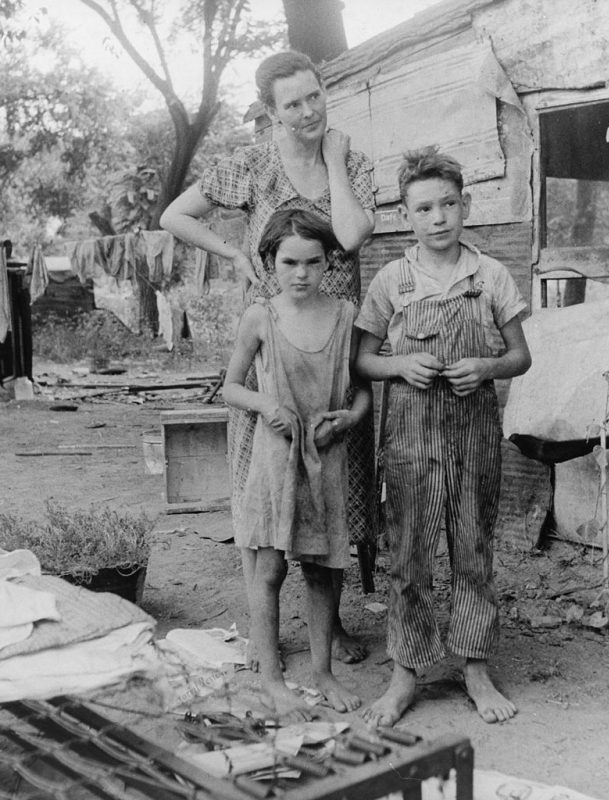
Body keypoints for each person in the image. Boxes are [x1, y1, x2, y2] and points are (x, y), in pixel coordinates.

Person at [160, 50, 376, 666]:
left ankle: (330, 626)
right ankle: (265, 631)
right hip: (273, 343)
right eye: (292, 104)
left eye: (315, 96)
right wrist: (232, 253)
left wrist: (332, 161)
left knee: (332, 479)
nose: (308, 112)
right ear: (270, 111)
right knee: (264, 480)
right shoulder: (252, 165)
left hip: (334, 344)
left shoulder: (353, 162)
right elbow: (174, 215)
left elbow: (351, 236)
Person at [355, 147, 531, 726]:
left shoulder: (490, 275)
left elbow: (520, 356)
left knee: (473, 551)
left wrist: (486, 367)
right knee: (408, 556)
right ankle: (405, 674)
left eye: (448, 204)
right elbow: (362, 359)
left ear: (466, 206)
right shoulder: (392, 280)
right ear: (406, 216)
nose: (438, 218)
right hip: (410, 440)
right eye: (424, 208)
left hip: (474, 435)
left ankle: (475, 668)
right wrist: (399, 366)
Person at [222, 209, 371, 719]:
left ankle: (323, 673)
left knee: (323, 571)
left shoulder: (346, 315)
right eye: (289, 262)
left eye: (313, 262)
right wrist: (266, 404)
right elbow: (231, 387)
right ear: (270, 262)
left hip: (326, 457)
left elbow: (363, 390)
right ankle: (272, 680)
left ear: (329, 262)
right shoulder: (261, 317)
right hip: (275, 459)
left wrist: (349, 418)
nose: (301, 273)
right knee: (269, 567)